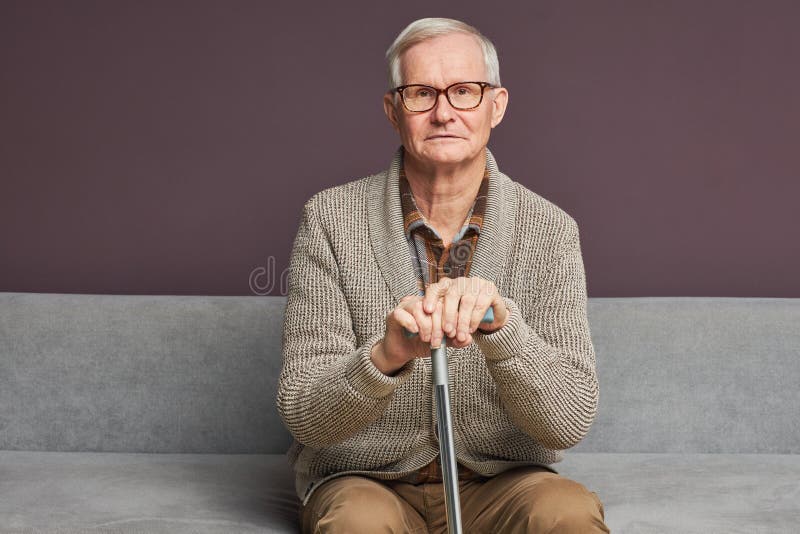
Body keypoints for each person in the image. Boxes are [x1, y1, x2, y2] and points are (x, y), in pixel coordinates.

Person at [277, 17, 609, 533]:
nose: (443, 112)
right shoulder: (330, 219)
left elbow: (566, 421)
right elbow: (304, 414)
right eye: (421, 94)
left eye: (464, 92)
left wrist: (504, 332)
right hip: (368, 480)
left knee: (566, 513)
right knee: (357, 523)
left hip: (501, 481)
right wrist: (384, 358)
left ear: (496, 105)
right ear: (393, 111)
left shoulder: (551, 229)